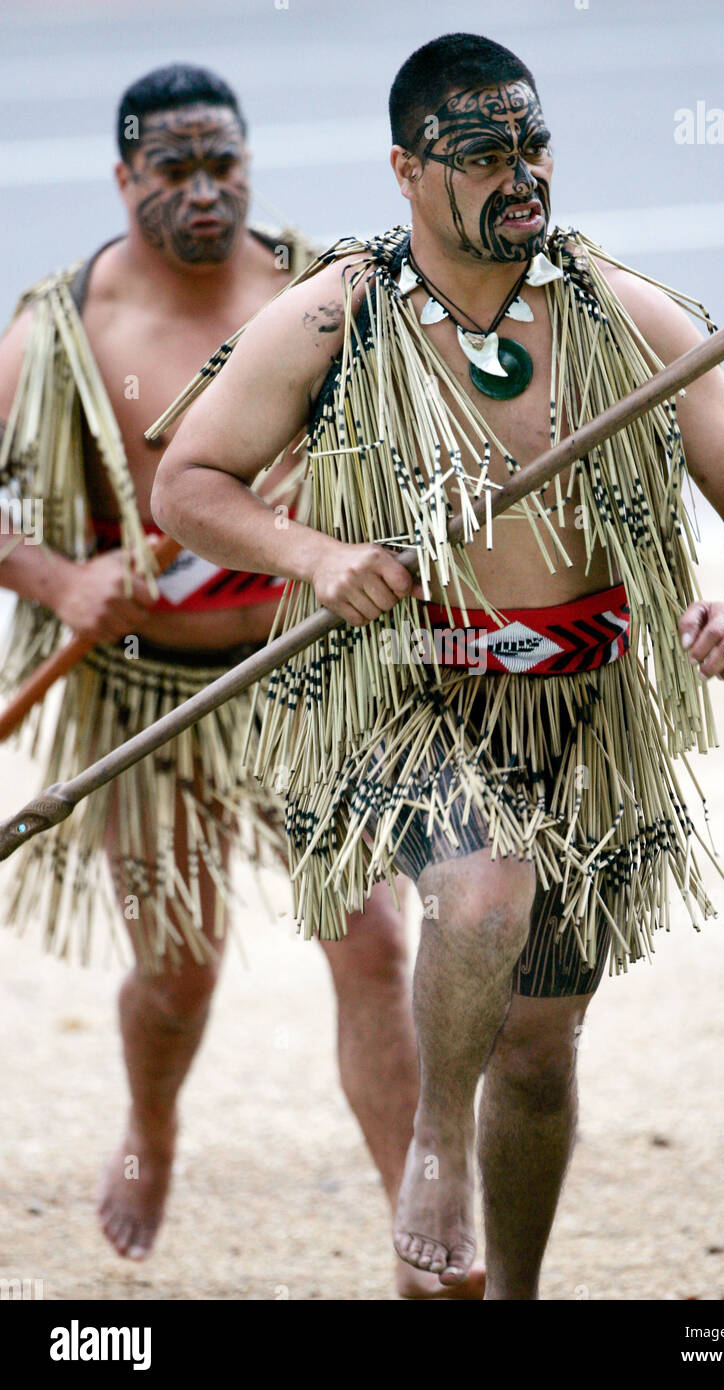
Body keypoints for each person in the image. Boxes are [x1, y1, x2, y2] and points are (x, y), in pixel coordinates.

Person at [151, 34, 724, 1300]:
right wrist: (314, 553)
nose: (522, 178)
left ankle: (510, 1294)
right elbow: (190, 484)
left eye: (534, 146)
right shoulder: (340, 314)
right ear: (407, 171)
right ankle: (432, 1138)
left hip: (585, 718)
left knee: (544, 1047)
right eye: (484, 155)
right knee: (482, 892)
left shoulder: (614, 308)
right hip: (411, 699)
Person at [0, 63, 479, 1300]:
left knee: (369, 938)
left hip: (304, 671)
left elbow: (453, 437)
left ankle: (418, 1225)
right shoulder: (60, 330)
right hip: (147, 694)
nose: (205, 193)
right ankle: (153, 1133)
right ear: (124, 180)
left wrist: (357, 501)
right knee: (179, 965)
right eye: (175, 170)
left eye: (225, 167)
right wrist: (58, 581)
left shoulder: (323, 295)